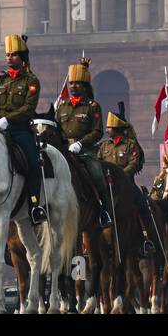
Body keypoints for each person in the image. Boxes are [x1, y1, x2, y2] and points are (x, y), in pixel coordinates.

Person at [0, 34, 46, 224]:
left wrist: (8, 119)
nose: (9, 58)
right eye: (7, 54)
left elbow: (28, 109)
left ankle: (34, 205)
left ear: (22, 57)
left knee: (32, 163)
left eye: (13, 54)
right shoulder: (0, 79)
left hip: (20, 130)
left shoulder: (31, 81)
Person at [54, 57, 112, 226]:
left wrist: (80, 144)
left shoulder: (92, 106)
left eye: (77, 83)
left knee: (97, 175)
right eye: (71, 83)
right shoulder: (62, 107)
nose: (73, 87)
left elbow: (97, 131)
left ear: (85, 86)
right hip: (64, 150)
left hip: (85, 151)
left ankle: (104, 211)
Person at [98, 107, 159, 254]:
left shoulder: (131, 145)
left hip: (126, 185)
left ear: (117, 127)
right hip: (106, 185)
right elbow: (98, 161)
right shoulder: (104, 146)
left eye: (109, 127)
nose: (107, 129)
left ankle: (147, 240)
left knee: (143, 205)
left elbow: (135, 163)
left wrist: (119, 175)